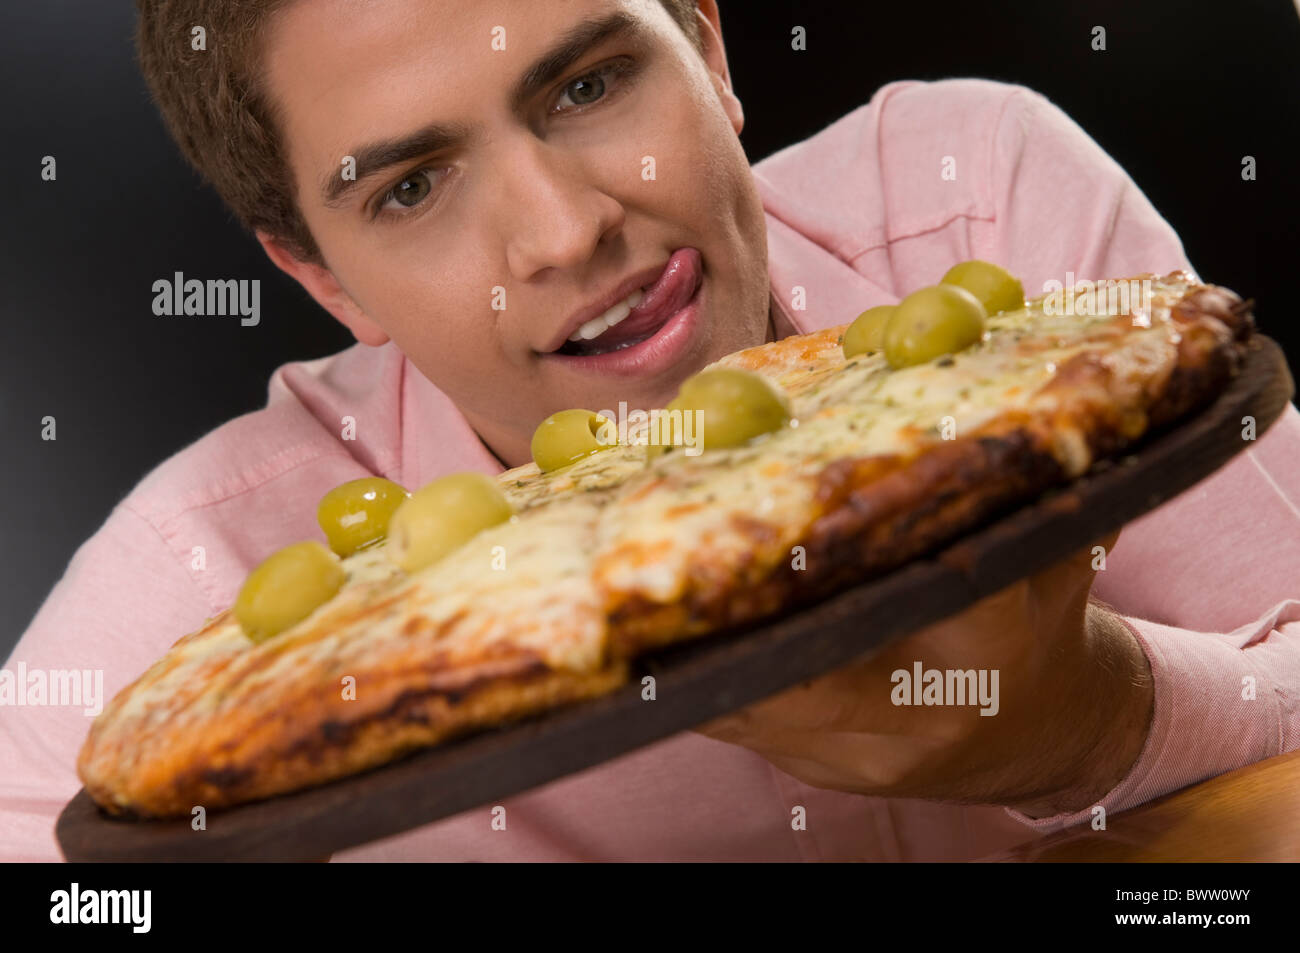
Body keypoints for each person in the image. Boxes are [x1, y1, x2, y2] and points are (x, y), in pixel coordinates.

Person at [2, 0, 1297, 862]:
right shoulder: (208, 587)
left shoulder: (972, 212)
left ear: (709, 49)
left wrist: (1099, 722)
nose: (566, 232)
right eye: (413, 186)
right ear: (321, 278)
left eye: (587, 84)